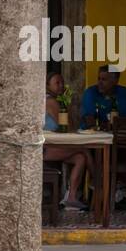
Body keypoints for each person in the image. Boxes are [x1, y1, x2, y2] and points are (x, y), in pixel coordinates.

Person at [44, 72, 89, 211]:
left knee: (80, 157)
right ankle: (97, 181)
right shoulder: (50, 101)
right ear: (47, 86)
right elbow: (69, 127)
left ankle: (71, 198)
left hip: (55, 146)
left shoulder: (58, 101)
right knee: (84, 149)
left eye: (62, 82)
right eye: (57, 83)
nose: (61, 86)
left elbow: (70, 126)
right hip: (45, 149)